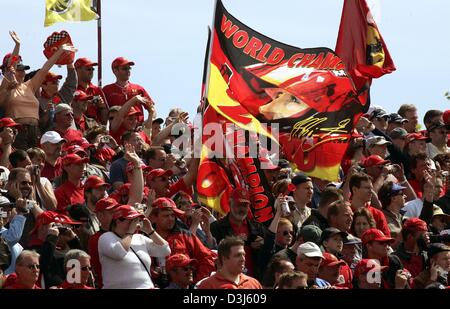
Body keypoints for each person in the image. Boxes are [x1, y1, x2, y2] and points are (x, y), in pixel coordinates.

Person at [1, 41, 76, 150]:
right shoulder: (6, 87)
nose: (22, 72)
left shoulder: (30, 86)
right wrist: (17, 46)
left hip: (35, 130)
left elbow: (45, 69)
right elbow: (11, 66)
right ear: (11, 72)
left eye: (24, 70)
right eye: (19, 70)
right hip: (18, 130)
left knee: (36, 162)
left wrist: (60, 51)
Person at [98, 204, 170, 289]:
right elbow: (118, 253)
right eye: (131, 220)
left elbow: (165, 250)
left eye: (136, 220)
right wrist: (130, 231)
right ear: (118, 221)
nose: (135, 223)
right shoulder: (106, 237)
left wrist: (150, 231)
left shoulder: (139, 238)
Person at [150, 197, 215, 283]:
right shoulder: (144, 237)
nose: (171, 219)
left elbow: (207, 259)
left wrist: (196, 283)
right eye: (166, 216)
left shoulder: (185, 235)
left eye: (173, 215)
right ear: (154, 218)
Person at [210, 188, 267, 279]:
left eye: (245, 205)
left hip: (254, 279)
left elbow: (269, 252)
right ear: (229, 203)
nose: (241, 209)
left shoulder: (258, 227)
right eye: (238, 205)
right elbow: (212, 252)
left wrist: (263, 245)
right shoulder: (216, 227)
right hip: (227, 280)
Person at [197, 236, 262, 289]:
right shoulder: (207, 286)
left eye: (244, 255)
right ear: (224, 258)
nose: (243, 259)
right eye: (237, 255)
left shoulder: (254, 283)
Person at [102, 57, 153, 123]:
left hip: (138, 128)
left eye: (129, 68)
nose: (128, 71)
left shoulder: (138, 88)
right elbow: (104, 114)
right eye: (124, 69)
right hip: (118, 129)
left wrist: (148, 124)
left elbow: (152, 108)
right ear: (115, 71)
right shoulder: (107, 90)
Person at [87, 197, 119, 288]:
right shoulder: (95, 239)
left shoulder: (124, 234)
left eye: (117, 211)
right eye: (112, 212)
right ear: (100, 216)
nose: (116, 215)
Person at [74, 57, 108, 124]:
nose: (91, 72)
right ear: (78, 70)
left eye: (93, 69)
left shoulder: (97, 90)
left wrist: (102, 107)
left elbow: (105, 120)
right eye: (88, 69)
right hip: (76, 125)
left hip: (94, 127)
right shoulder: (70, 89)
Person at [0, 195, 27, 275]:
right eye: (2, 210)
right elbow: (12, 237)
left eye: (9, 209)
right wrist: (20, 213)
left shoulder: (4, 230)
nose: (7, 213)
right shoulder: (8, 234)